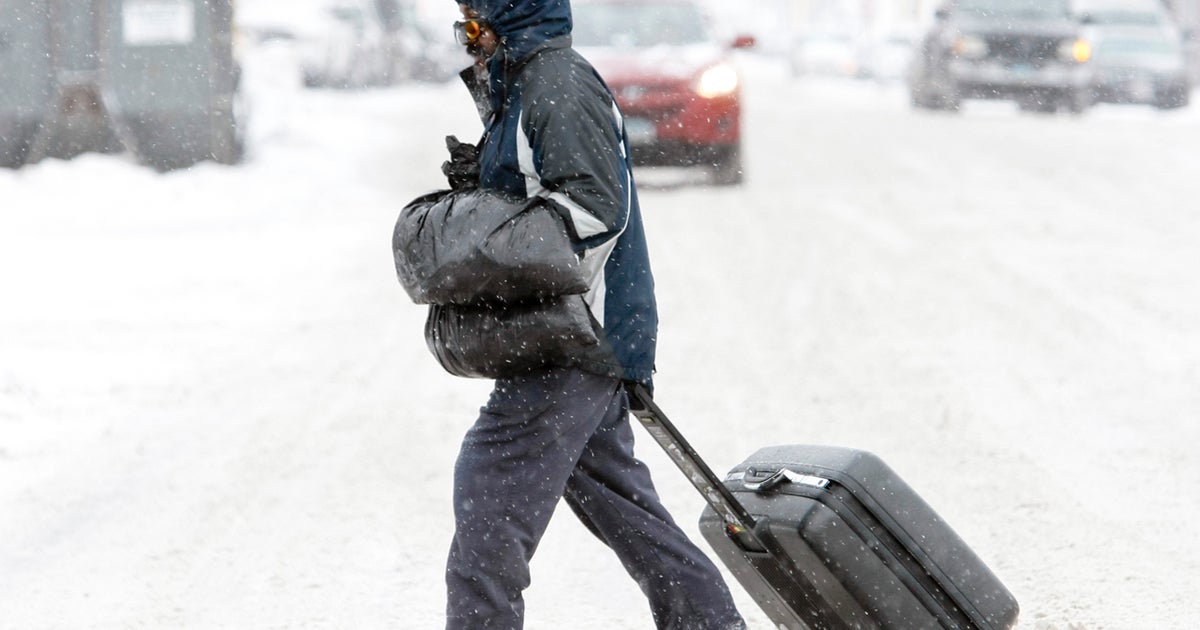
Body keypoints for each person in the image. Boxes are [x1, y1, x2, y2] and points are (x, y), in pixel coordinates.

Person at [434, 1, 747, 628]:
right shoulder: (528, 79)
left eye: (475, 20)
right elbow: (544, 194)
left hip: (570, 338)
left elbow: (590, 212)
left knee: (488, 496)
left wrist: (481, 232)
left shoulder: (555, 84)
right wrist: (485, 192)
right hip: (576, 334)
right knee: (631, 520)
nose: (469, 33)